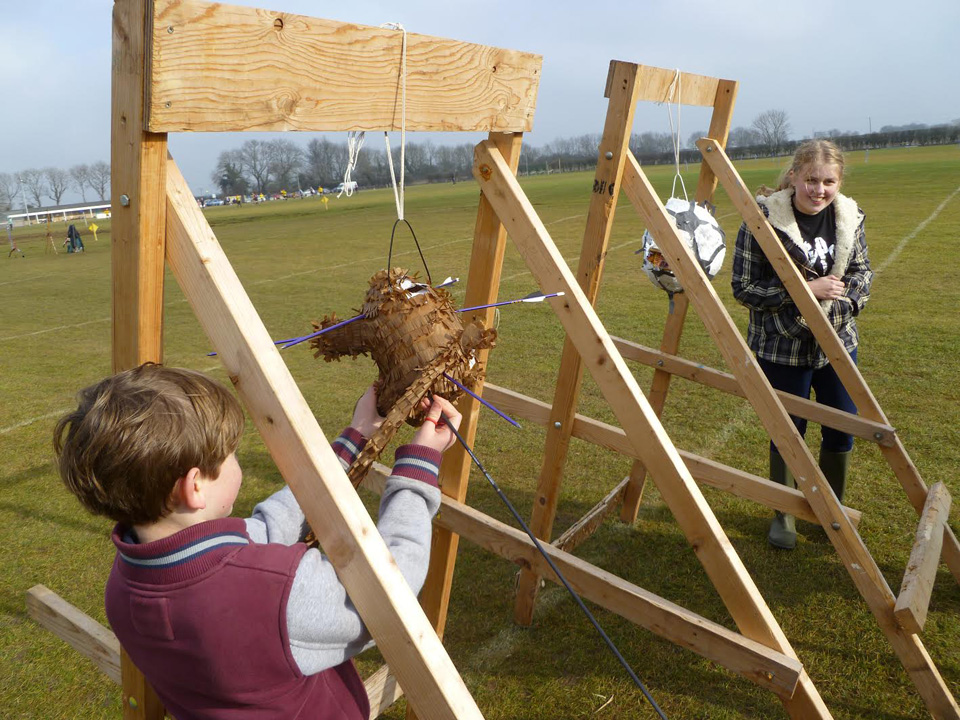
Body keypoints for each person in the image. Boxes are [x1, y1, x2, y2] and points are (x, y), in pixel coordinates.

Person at [54, 363, 461, 719]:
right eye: (230, 454)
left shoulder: (126, 585)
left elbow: (267, 528)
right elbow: (394, 588)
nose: (236, 460)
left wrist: (353, 441)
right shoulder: (277, 594)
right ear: (194, 487)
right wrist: (417, 465)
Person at [731, 139, 873, 550]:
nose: (819, 190)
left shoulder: (849, 216)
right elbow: (743, 288)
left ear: (839, 182)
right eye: (811, 179)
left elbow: (862, 272)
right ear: (794, 176)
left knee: (841, 429)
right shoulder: (761, 221)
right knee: (787, 433)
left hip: (837, 345)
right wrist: (805, 290)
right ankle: (785, 515)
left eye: (828, 181)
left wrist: (846, 300)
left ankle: (828, 513)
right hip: (781, 347)